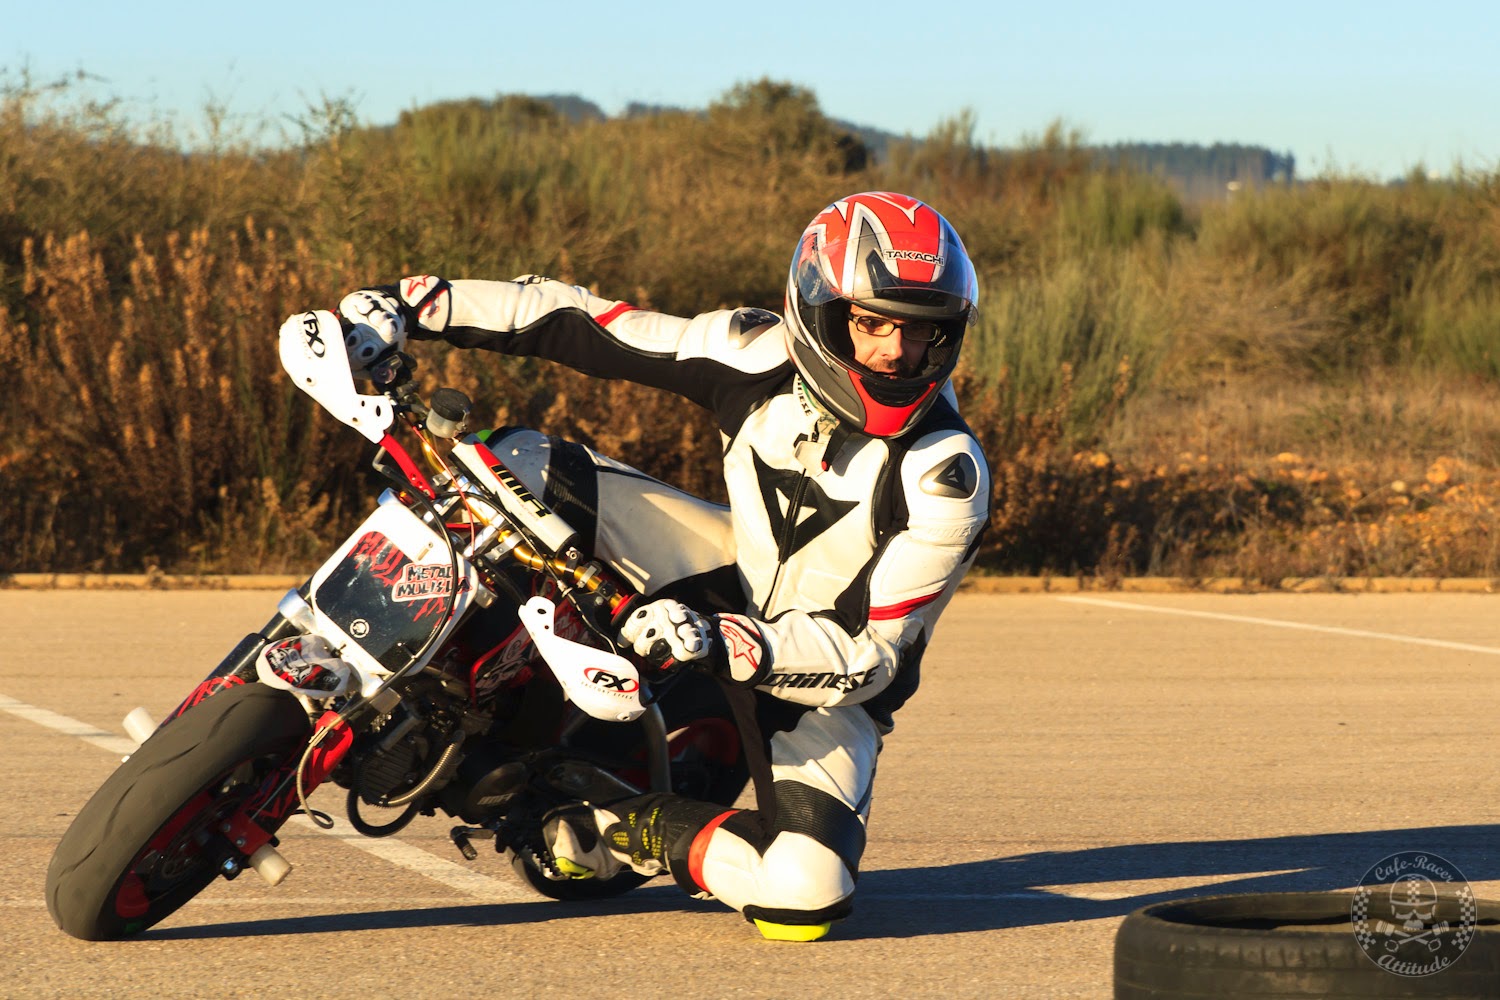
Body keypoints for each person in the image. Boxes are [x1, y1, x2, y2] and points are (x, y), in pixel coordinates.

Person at [332, 191, 990, 941]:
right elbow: (580, 320)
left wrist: (729, 643)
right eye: (872, 322)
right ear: (815, 307)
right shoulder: (754, 352)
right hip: (717, 575)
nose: (896, 353)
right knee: (513, 466)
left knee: (804, 894)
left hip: (817, 686)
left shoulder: (946, 475)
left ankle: (603, 808)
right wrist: (410, 306)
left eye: (921, 331)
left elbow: (873, 660)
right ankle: (382, 661)